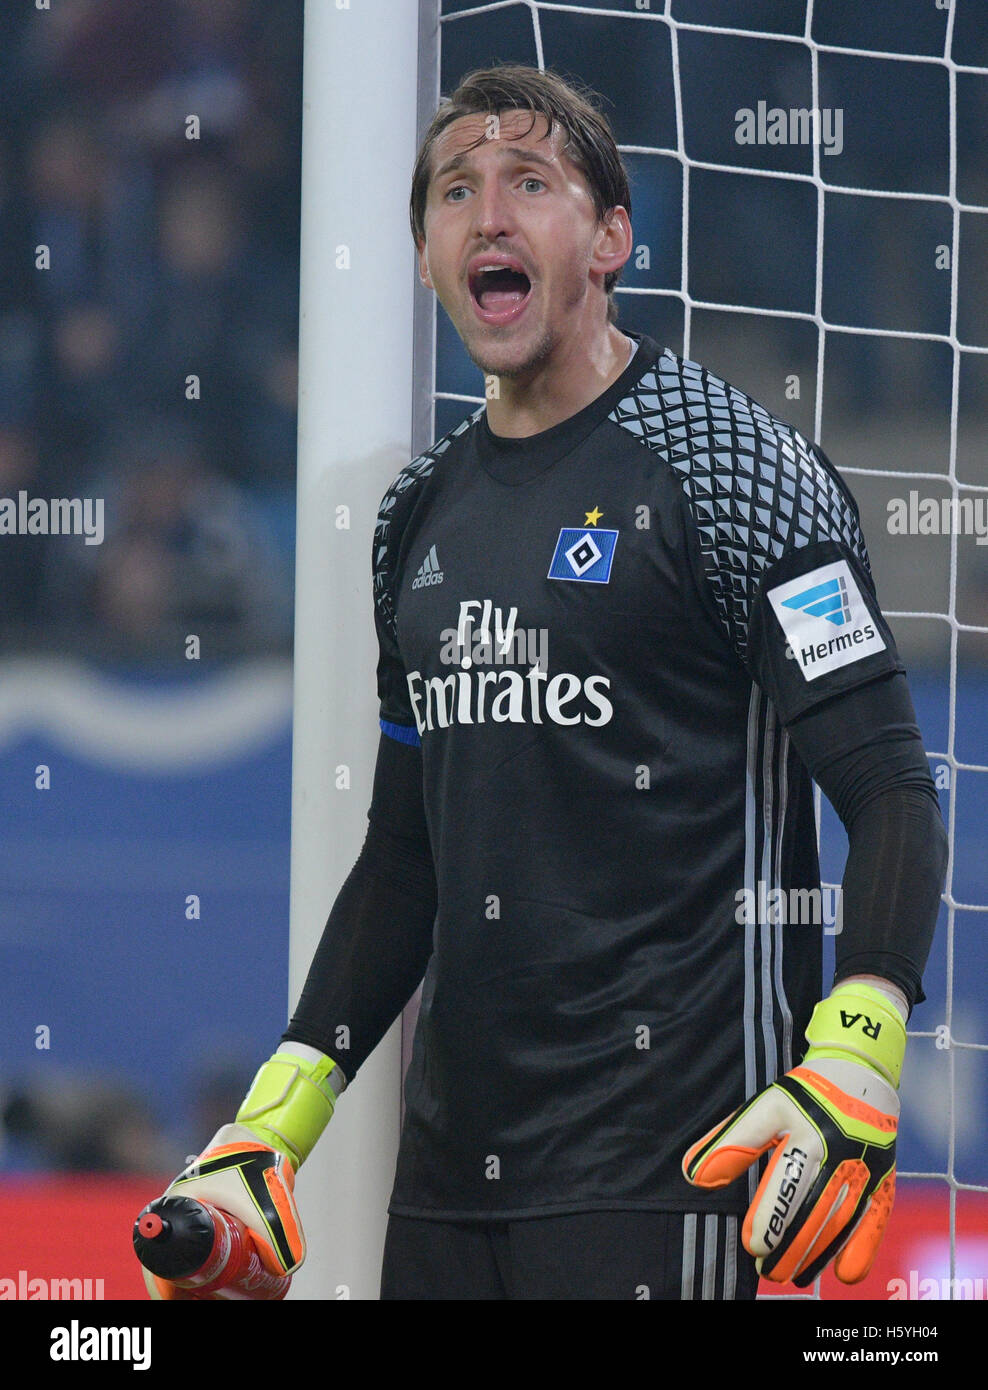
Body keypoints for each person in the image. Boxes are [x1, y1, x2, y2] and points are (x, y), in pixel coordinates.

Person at [145, 65, 948, 1301]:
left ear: (613, 235)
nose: (488, 216)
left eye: (530, 181)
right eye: (454, 192)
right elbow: (404, 856)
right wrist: (272, 1125)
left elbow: (890, 785)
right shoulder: (417, 516)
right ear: (424, 256)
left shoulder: (742, 476)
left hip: (668, 1173)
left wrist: (857, 1047)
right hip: (449, 1189)